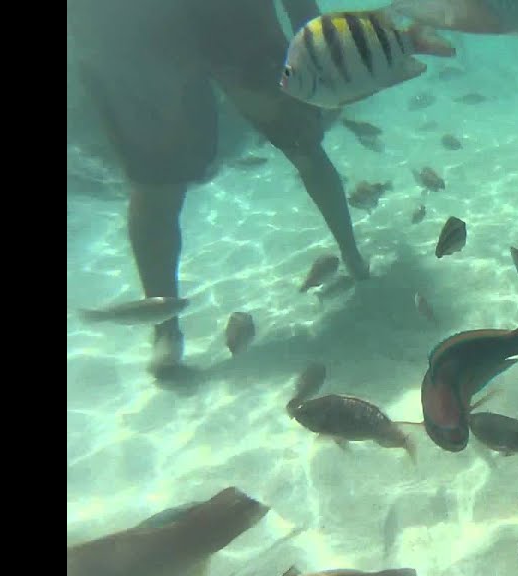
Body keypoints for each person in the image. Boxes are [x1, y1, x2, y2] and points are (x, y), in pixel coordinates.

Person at [67, 0, 369, 381]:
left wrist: (315, 37)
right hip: (133, 25)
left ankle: (352, 254)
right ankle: (164, 327)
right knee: (156, 182)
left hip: (230, 14)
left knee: (301, 142)